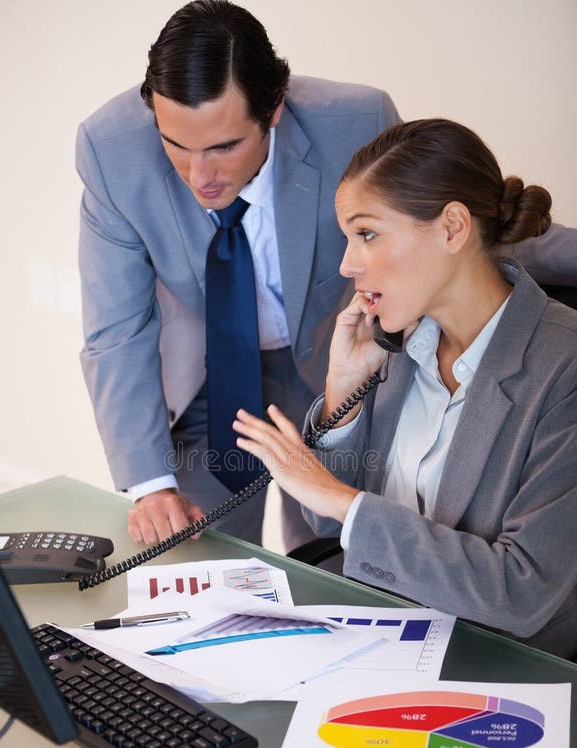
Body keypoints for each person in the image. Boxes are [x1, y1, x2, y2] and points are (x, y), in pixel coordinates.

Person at [77, 1, 577, 553]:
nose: (201, 176)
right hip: (207, 377)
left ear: (273, 111)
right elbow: (116, 328)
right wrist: (152, 487)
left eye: (224, 147)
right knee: (192, 558)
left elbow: (447, 226)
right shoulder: (109, 150)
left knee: (325, 553)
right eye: (177, 146)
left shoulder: (355, 121)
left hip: (332, 358)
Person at [233, 118, 577, 659]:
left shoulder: (564, 367)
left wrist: (342, 501)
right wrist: (343, 393)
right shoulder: (397, 344)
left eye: (367, 234)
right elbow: (329, 522)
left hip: (498, 664)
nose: (347, 263)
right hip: (379, 639)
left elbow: (521, 591)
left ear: (452, 228)